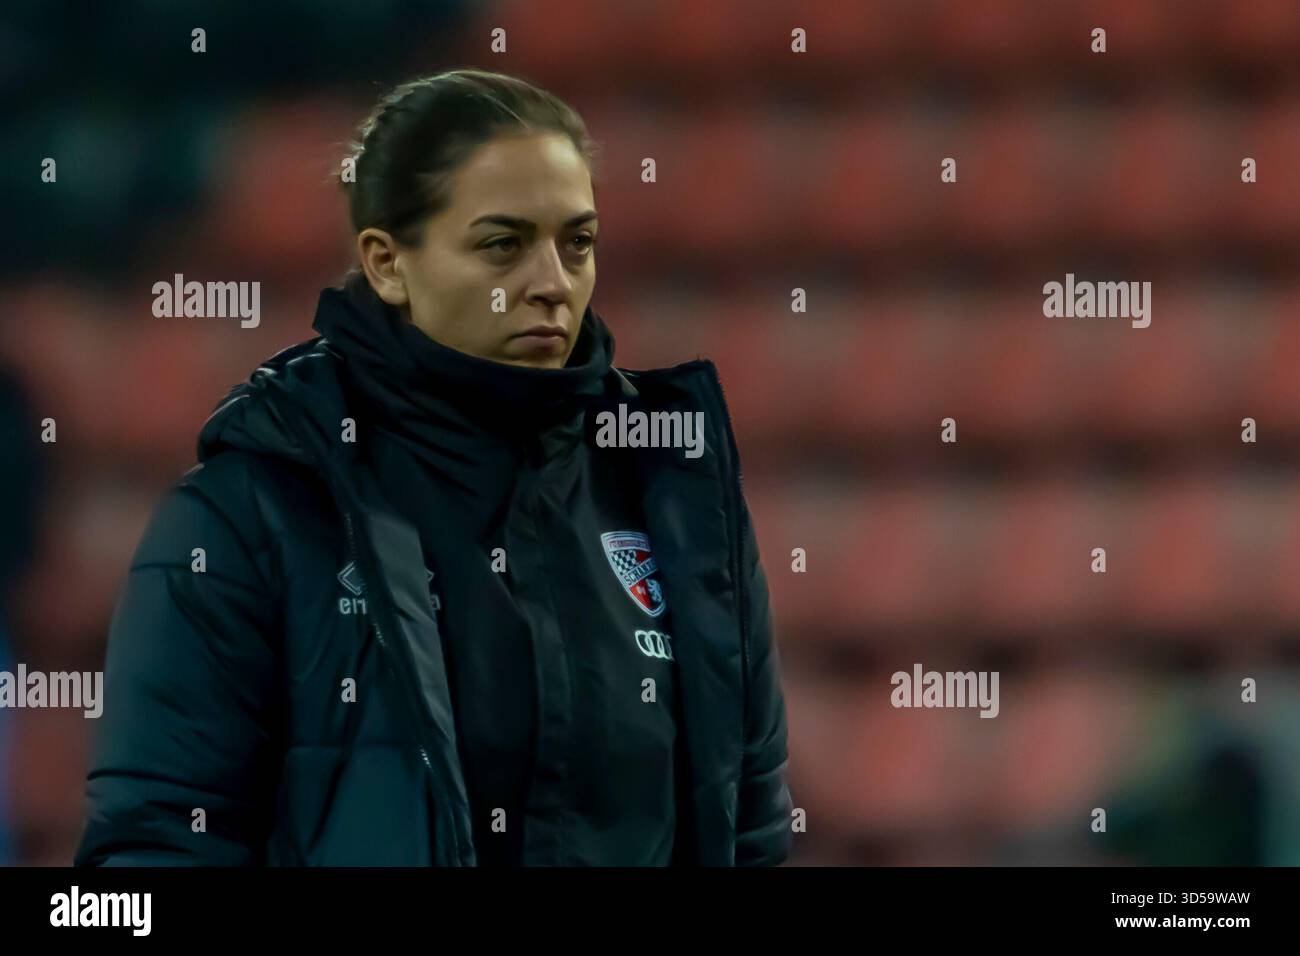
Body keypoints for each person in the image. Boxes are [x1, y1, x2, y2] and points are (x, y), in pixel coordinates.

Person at [74, 68, 793, 866]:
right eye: (502, 245)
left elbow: (751, 832)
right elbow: (149, 857)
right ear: (386, 263)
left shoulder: (674, 495)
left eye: (577, 243)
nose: (553, 284)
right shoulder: (249, 517)